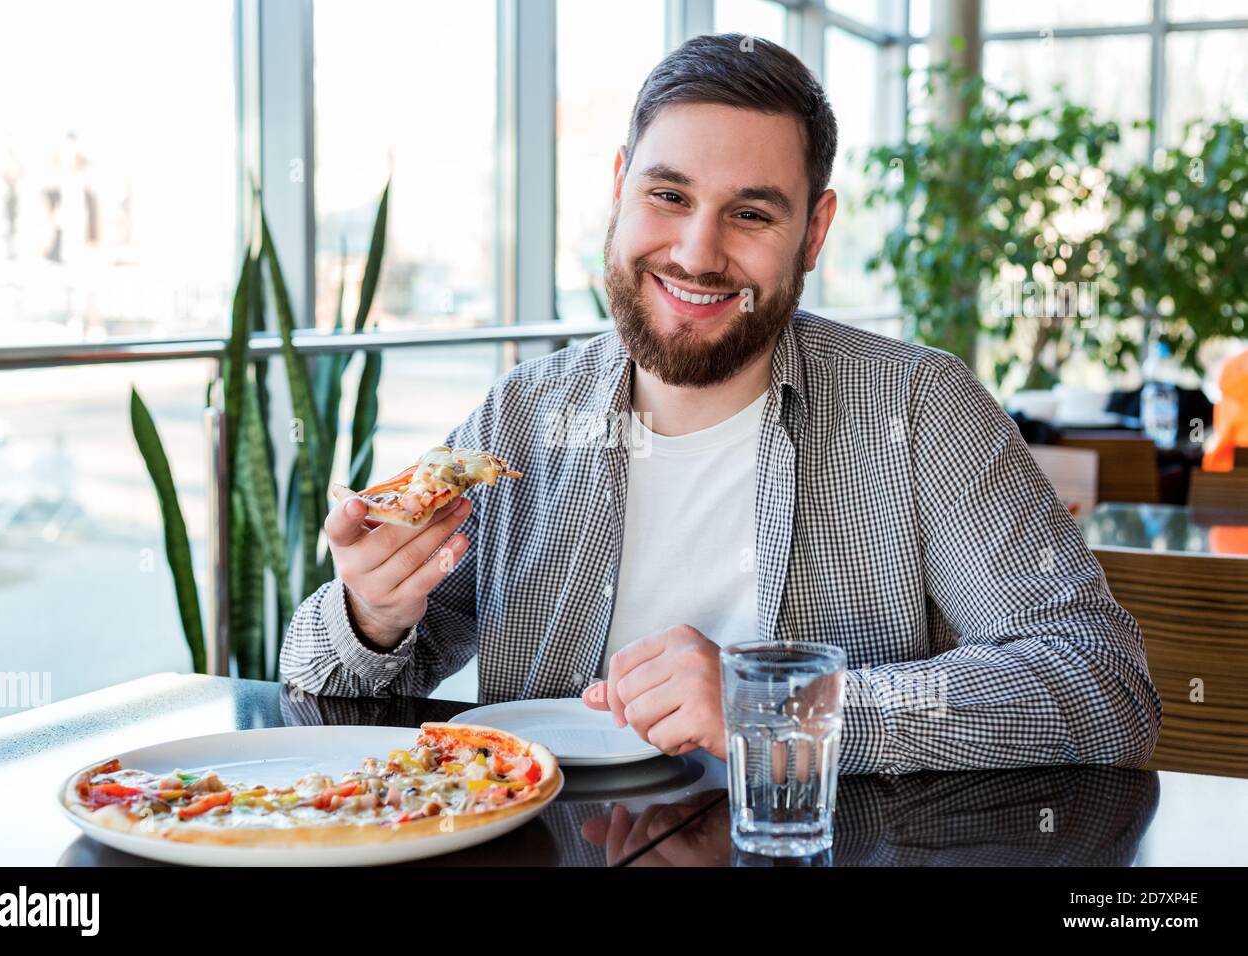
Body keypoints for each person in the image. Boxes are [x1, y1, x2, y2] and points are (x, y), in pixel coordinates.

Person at [280, 34, 1160, 774]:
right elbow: (326, 685)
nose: (697, 255)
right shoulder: (524, 417)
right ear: (620, 187)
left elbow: (1102, 685)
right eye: (668, 196)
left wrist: (778, 707)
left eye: (750, 214)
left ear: (813, 232)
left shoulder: (922, 409)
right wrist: (371, 612)